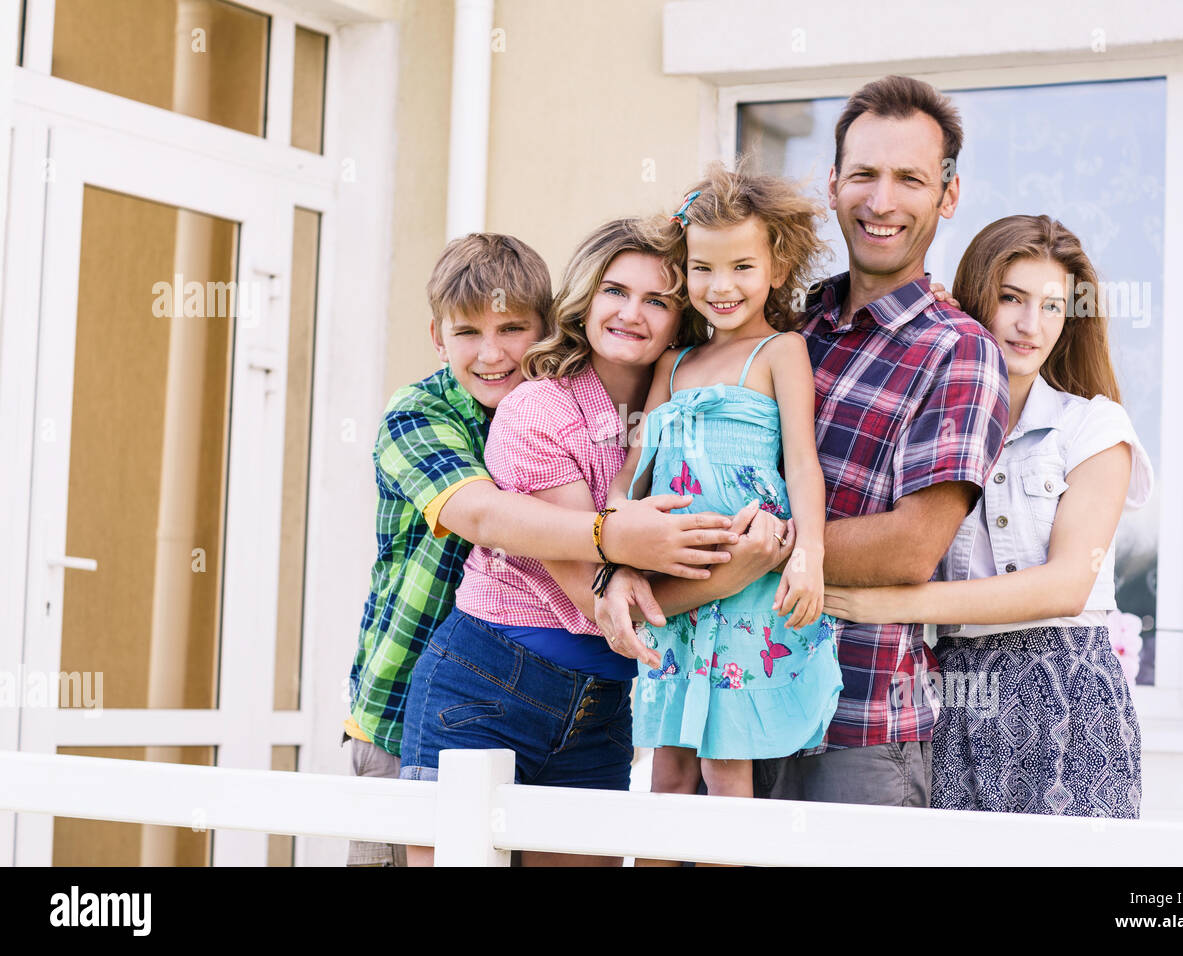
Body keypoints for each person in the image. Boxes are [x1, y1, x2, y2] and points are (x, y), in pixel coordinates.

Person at [597, 75, 1009, 809]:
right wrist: (619, 559)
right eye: (864, 175)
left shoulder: (958, 350)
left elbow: (912, 547)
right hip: (713, 677)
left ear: (947, 196)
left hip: (856, 725)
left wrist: (765, 545)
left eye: (909, 179)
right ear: (832, 184)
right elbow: (654, 445)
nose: (881, 200)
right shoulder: (777, 320)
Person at [399, 219, 789, 867]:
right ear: (585, 301)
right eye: (615, 290)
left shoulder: (691, 422)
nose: (631, 313)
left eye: (657, 300)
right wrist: (744, 567)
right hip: (488, 687)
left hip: (604, 709)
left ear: (681, 317)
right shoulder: (537, 410)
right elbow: (605, 606)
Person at [825, 214, 1153, 818]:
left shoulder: (1094, 426)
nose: (1031, 325)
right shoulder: (935, 422)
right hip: (949, 692)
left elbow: (1066, 584)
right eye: (1011, 299)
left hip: (1066, 696)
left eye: (1052, 307)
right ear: (979, 298)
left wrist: (893, 603)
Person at [605, 165, 843, 828]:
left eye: (742, 266)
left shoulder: (779, 351)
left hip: (745, 583)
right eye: (704, 268)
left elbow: (802, 462)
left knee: (725, 766)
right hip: (675, 570)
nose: (722, 286)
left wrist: (810, 555)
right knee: (667, 769)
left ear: (778, 262)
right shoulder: (672, 364)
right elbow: (634, 467)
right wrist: (618, 533)